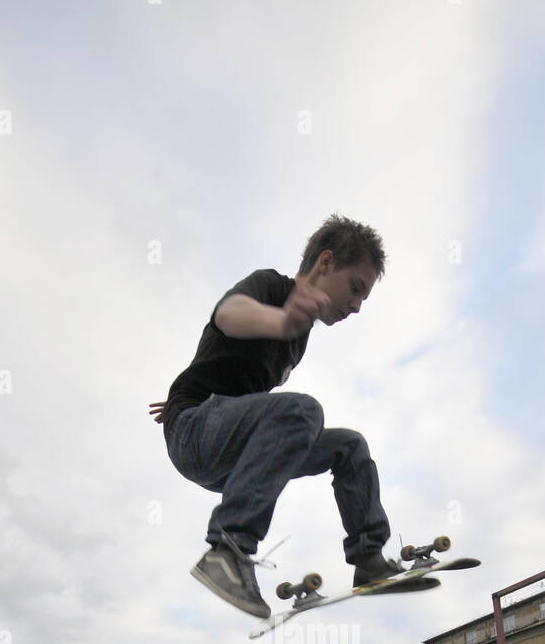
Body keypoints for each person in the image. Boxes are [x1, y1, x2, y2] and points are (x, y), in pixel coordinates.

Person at [149, 213, 438, 617]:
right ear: (325, 263)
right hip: (195, 428)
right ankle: (228, 553)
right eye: (355, 288)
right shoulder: (271, 286)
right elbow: (227, 316)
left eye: (363, 299)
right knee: (304, 411)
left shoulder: (299, 339)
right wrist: (280, 320)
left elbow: (236, 380)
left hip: (228, 448)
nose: (356, 306)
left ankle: (368, 559)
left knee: (349, 446)